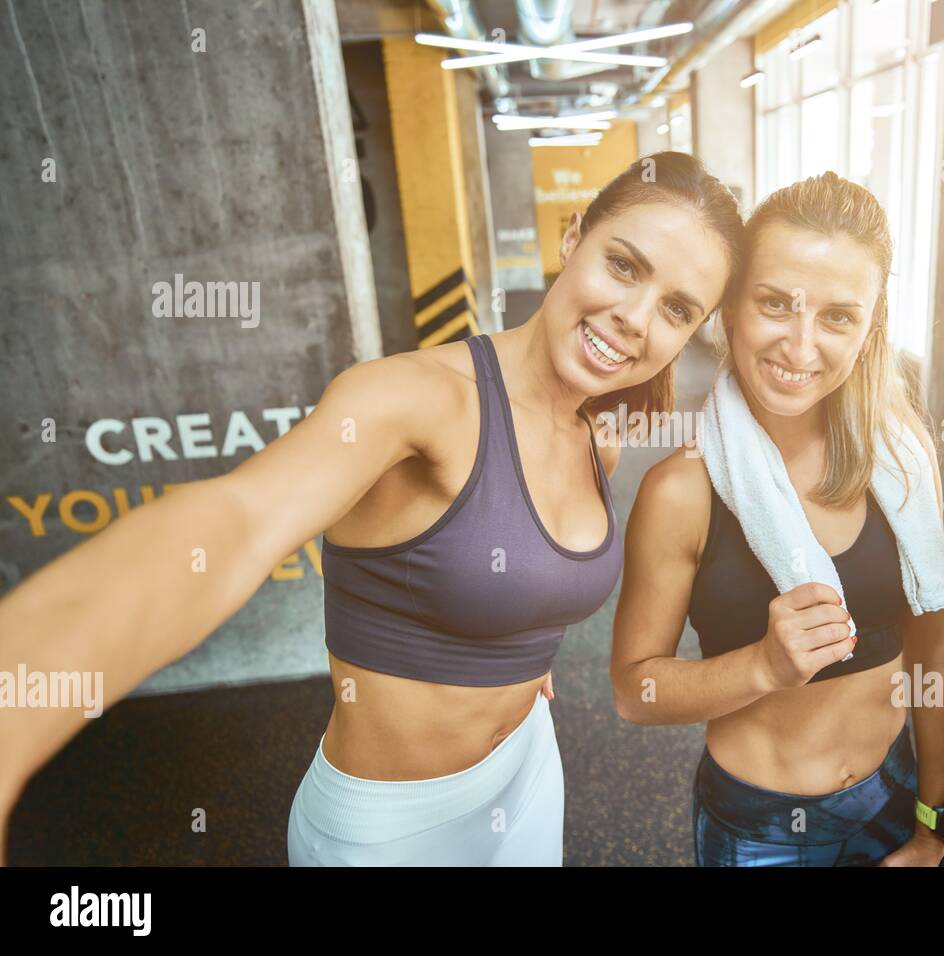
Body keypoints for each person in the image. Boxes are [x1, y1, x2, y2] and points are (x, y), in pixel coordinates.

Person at [0, 151, 745, 866]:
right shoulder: (411, 399)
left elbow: (516, 579)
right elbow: (237, 522)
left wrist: (514, 634)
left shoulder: (595, 442)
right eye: (623, 265)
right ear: (572, 235)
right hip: (390, 827)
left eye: (676, 309)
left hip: (528, 770)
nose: (636, 318)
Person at [611, 171, 944, 866]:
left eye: (837, 316)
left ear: (870, 330)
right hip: (761, 829)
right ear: (732, 310)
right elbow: (635, 690)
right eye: (777, 305)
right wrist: (763, 666)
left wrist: (939, 815)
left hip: (899, 793)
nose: (801, 349)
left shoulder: (899, 457)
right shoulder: (681, 489)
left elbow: (940, 648)